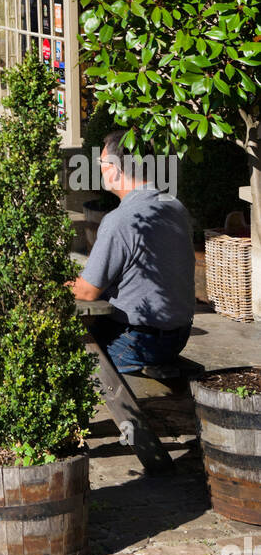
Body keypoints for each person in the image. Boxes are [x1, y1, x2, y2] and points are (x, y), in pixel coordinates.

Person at [70, 130, 195, 374]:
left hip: (137, 340)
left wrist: (51, 285)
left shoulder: (120, 220)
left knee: (64, 355)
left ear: (115, 169)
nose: (99, 168)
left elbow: (86, 291)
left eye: (101, 162)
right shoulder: (174, 206)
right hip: (177, 335)